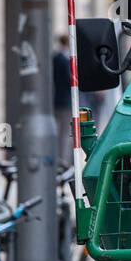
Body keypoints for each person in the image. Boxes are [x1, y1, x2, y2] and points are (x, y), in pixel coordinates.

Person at [51, 34, 73, 165]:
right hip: (66, 102)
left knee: (60, 133)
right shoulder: (66, 59)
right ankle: (63, 162)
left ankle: (60, 160)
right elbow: (69, 80)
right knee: (65, 135)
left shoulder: (55, 58)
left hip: (57, 100)